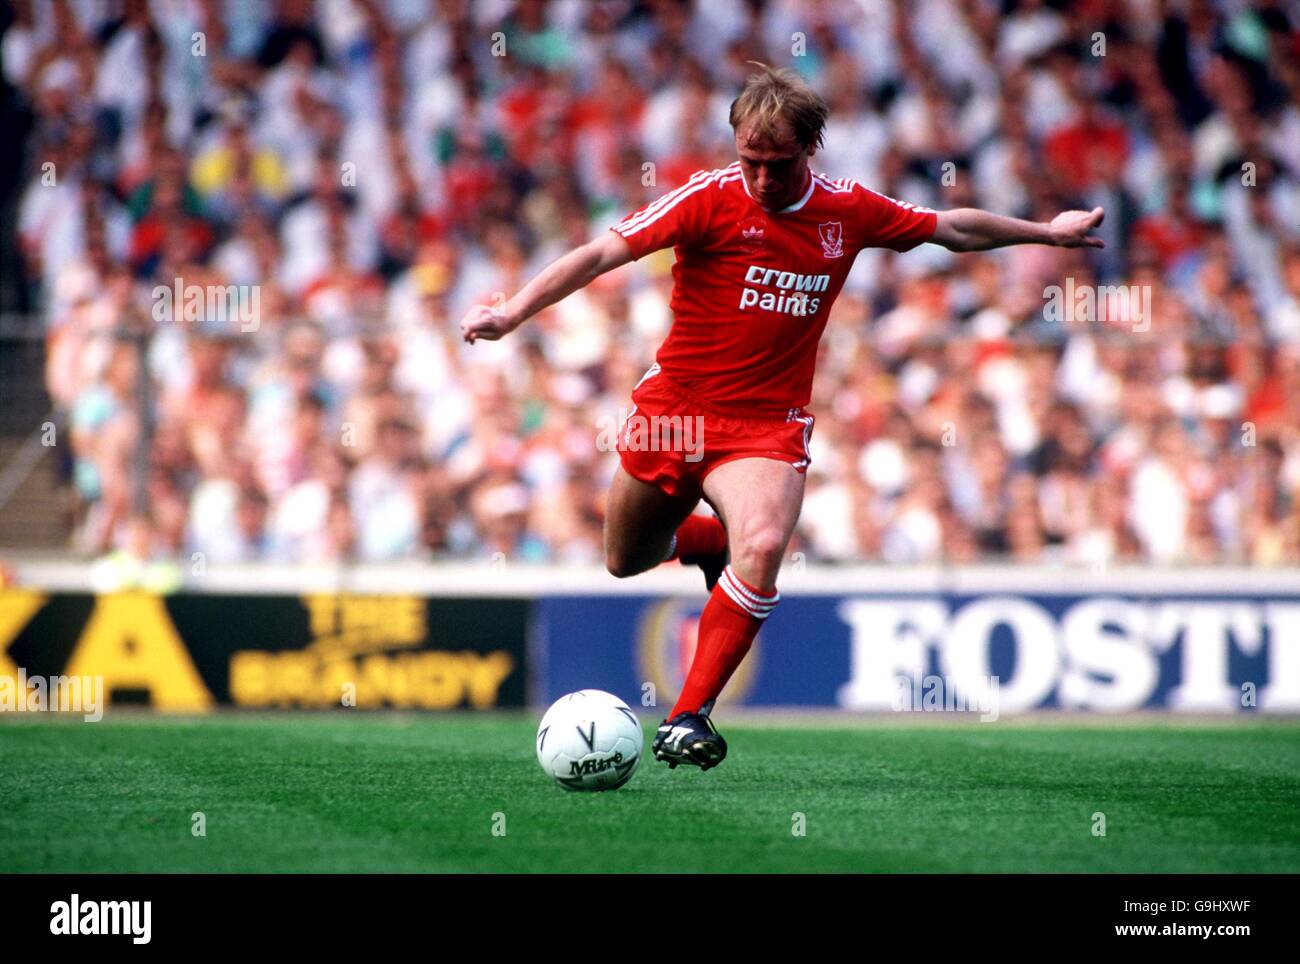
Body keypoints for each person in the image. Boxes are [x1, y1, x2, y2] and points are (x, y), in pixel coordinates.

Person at [459, 64, 1104, 771]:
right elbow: (601, 253)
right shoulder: (707, 199)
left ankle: (686, 717)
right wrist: (511, 311)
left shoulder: (847, 209)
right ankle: (707, 543)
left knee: (764, 543)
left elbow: (948, 227)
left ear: (811, 150)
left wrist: (1046, 233)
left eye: (778, 163)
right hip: (673, 412)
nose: (762, 178)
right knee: (625, 560)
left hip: (766, 424)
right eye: (750, 162)